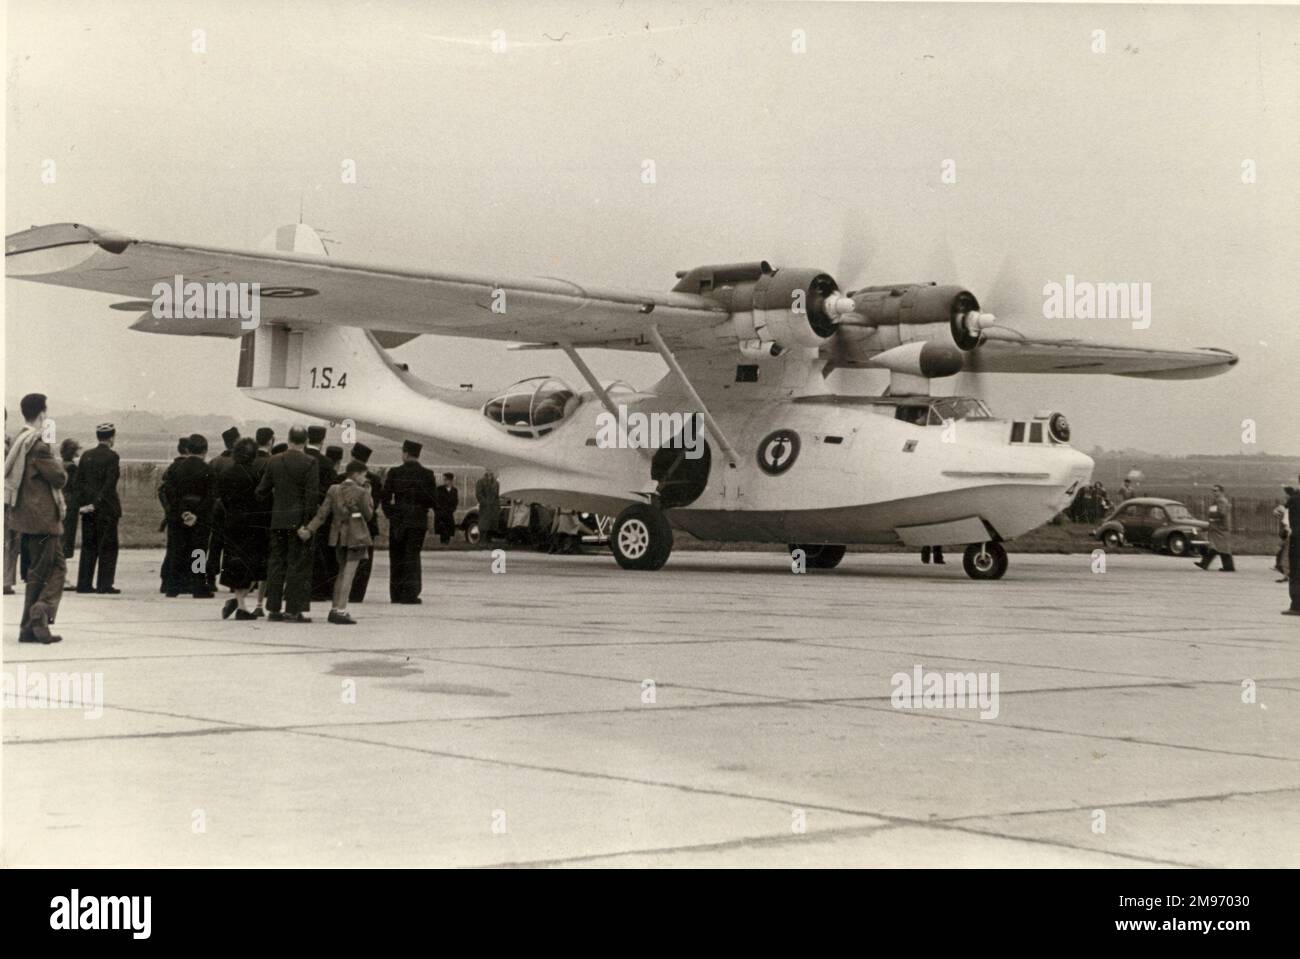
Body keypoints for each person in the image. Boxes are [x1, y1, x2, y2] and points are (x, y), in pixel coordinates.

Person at [4, 394, 67, 643]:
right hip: (42, 518)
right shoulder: (39, 444)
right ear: (42, 413)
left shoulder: (21, 439)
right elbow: (59, 478)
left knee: (41, 571)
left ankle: (28, 627)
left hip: (26, 517)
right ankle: (41, 611)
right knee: (54, 569)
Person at [256, 425, 319, 622]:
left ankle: (273, 609)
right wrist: (308, 525)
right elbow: (311, 497)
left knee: (276, 564)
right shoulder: (310, 462)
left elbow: (261, 491)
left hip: (278, 521)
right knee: (298, 566)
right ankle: (294, 609)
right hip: (299, 522)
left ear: (289, 439)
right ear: (306, 441)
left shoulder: (274, 460)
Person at [300, 460, 374, 624]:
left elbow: (322, 514)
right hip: (356, 536)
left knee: (341, 572)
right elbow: (368, 515)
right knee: (350, 573)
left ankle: (335, 608)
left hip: (338, 536)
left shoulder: (334, 489)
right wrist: (369, 494)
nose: (364, 478)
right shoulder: (362, 492)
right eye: (363, 475)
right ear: (355, 474)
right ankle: (341, 610)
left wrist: (309, 530)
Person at [159, 434, 217, 597]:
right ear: (205, 450)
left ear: (187, 449)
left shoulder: (175, 468)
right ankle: (198, 586)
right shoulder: (208, 470)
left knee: (178, 549)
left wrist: (183, 512)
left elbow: (170, 493)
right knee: (198, 551)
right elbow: (211, 496)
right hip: (200, 516)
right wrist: (196, 514)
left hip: (179, 516)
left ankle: (173, 586)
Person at [216, 438, 266, 620]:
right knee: (254, 566)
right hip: (253, 524)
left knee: (236, 565)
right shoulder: (258, 474)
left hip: (232, 522)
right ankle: (240, 604)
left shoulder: (226, 473)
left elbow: (222, 498)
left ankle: (238, 602)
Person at [381, 439, 435, 603]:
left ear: (405, 453)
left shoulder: (394, 472)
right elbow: (433, 500)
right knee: (412, 557)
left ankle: (396, 594)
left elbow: (385, 498)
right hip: (417, 520)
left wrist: (391, 514)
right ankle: (410, 594)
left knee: (396, 556)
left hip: (398, 519)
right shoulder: (427, 474)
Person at [73, 422, 122, 594]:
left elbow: (78, 483)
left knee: (88, 546)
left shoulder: (86, 456)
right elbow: (110, 484)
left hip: (88, 509)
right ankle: (104, 584)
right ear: (112, 437)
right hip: (106, 509)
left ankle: (84, 583)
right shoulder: (113, 457)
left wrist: (83, 505)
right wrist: (98, 503)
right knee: (108, 547)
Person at [306, 425, 340, 602]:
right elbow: (330, 491)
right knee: (319, 551)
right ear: (322, 440)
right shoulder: (326, 463)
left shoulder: (299, 457)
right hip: (318, 512)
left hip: (297, 511)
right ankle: (317, 589)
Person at [206, 426, 241, 590]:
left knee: (215, 544)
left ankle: (209, 578)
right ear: (235, 441)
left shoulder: (215, 462)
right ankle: (232, 580)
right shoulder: (240, 462)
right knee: (233, 545)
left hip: (217, 507)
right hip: (234, 508)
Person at [346, 442, 382, 603]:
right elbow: (377, 503)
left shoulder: (344, 478)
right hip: (368, 523)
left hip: (349, 523)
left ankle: (344, 591)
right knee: (365, 561)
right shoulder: (375, 479)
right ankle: (357, 594)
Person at [157, 436, 192, 594]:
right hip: (189, 514)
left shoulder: (171, 467)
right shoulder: (191, 467)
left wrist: (169, 511)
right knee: (194, 549)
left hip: (173, 514)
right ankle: (193, 581)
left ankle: (167, 580)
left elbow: (163, 491)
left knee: (173, 548)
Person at [1195, 484, 1235, 572]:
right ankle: (1228, 566)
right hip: (1219, 527)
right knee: (1220, 547)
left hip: (1219, 527)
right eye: (1213, 490)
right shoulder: (1220, 500)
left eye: (1216, 491)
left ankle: (1205, 563)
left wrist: (1210, 513)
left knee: (1216, 547)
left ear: (1221, 492)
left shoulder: (1221, 501)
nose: (1214, 492)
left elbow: (1222, 513)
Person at [3, 410, 19, 596]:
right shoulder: (9, 442)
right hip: (7, 497)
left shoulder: (10, 441)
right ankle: (5, 581)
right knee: (9, 540)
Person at [60, 437, 82, 558]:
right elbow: (76, 486)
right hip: (71, 501)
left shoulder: (62, 465)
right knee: (68, 533)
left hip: (63, 498)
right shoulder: (72, 468)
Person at [1284, 482, 1300, 617]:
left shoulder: (1294, 499)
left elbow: (1286, 522)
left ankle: (1297, 605)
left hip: (1297, 540)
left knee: (1296, 572)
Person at [474, 468, 501, 546]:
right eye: (488, 470)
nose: (490, 472)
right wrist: (484, 502)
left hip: (494, 506)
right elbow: (478, 494)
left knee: (492, 524)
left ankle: (489, 540)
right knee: (484, 524)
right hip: (485, 506)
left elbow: (497, 495)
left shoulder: (496, 483)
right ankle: (482, 540)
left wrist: (497, 505)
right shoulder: (480, 481)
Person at [433, 472, 459, 545]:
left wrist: (452, 509)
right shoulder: (439, 489)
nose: (444, 481)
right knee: (442, 529)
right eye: (444, 479)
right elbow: (436, 501)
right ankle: (443, 543)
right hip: (441, 513)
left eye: (445, 479)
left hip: (449, 513)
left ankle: (447, 543)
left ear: (450, 480)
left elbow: (455, 501)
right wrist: (438, 511)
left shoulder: (454, 490)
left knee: (448, 529)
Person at [1274, 488, 1293, 583]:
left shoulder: (1290, 508)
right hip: (1288, 532)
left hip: (1290, 532)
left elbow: (1287, 522)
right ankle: (1286, 574)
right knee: (1284, 553)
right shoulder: (1286, 508)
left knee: (1285, 554)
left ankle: (1286, 574)